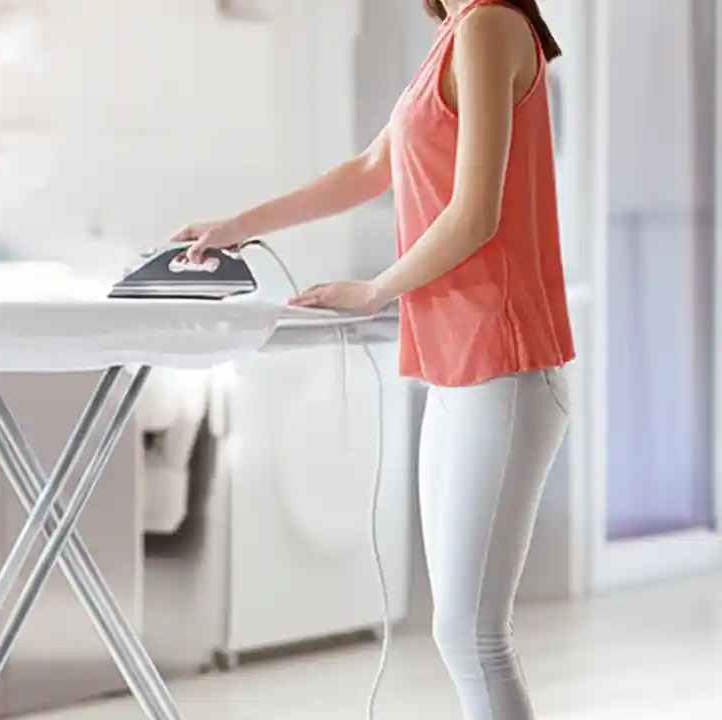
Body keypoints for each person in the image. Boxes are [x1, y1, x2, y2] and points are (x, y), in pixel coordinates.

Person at [170, 0, 574, 717]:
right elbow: (369, 167)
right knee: (462, 632)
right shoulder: (452, 36)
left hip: (503, 365)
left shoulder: (488, 24)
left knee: (472, 634)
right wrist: (237, 226)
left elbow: (475, 212)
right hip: (460, 369)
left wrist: (375, 290)